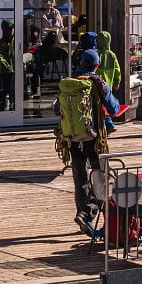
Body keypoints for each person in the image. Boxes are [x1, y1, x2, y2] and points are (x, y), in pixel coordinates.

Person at [55, 49, 113, 237]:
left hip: (72, 139)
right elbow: (114, 107)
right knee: (100, 177)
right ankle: (90, 213)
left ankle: (84, 216)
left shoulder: (69, 83)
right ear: (97, 65)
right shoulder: (96, 83)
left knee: (80, 179)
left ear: (80, 63)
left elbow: (58, 109)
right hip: (94, 138)